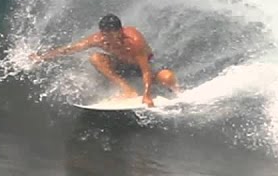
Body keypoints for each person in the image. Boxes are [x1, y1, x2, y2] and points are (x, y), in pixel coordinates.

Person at [33, 13, 179, 107]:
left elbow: (145, 71)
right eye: (103, 34)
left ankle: (179, 92)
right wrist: (42, 57)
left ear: (120, 31)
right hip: (123, 67)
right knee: (95, 58)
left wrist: (147, 95)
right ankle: (128, 90)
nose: (105, 38)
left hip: (144, 67)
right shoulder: (99, 39)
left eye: (109, 34)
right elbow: (71, 49)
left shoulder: (134, 42)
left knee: (167, 78)